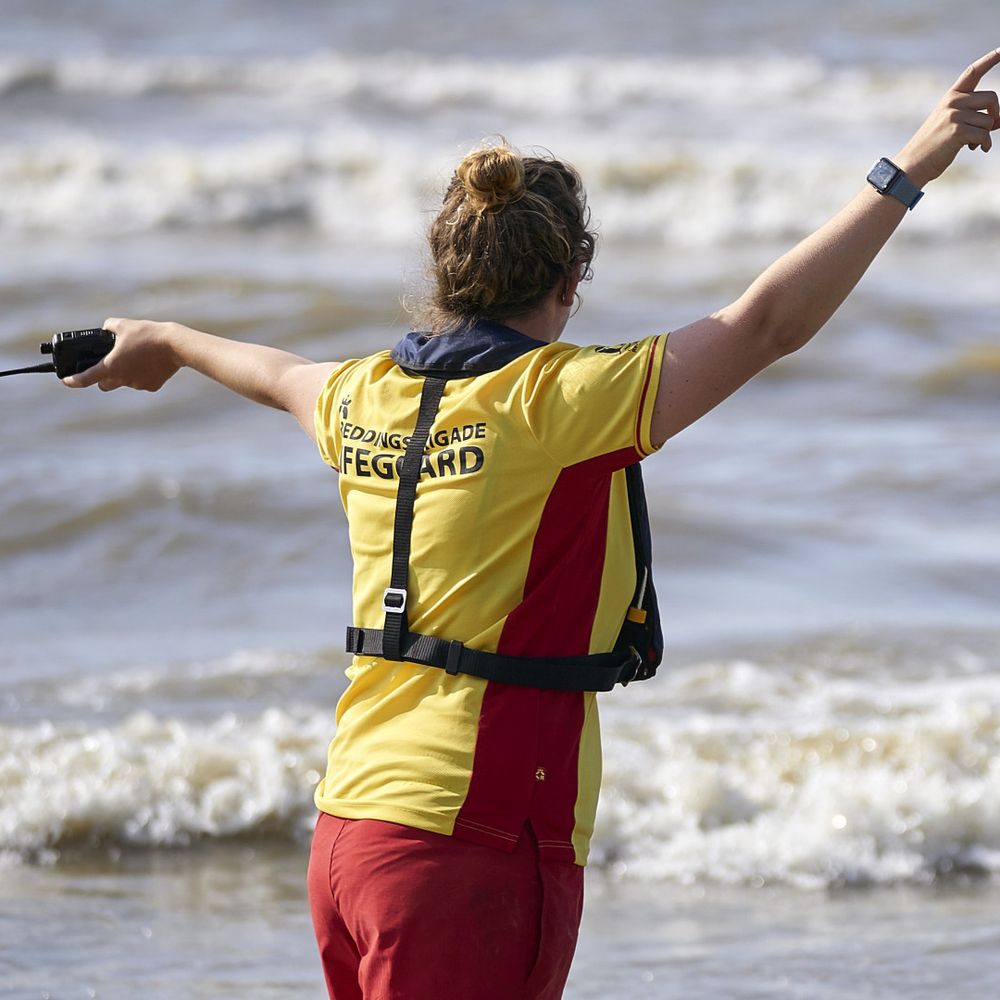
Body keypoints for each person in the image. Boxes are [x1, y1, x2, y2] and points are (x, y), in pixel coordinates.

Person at [64, 49, 1000, 1000]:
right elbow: (765, 325)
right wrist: (908, 169)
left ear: (447, 273)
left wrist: (166, 339)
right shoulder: (557, 400)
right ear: (570, 281)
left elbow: (274, 374)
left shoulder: (362, 397)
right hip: (466, 848)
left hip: (350, 834)